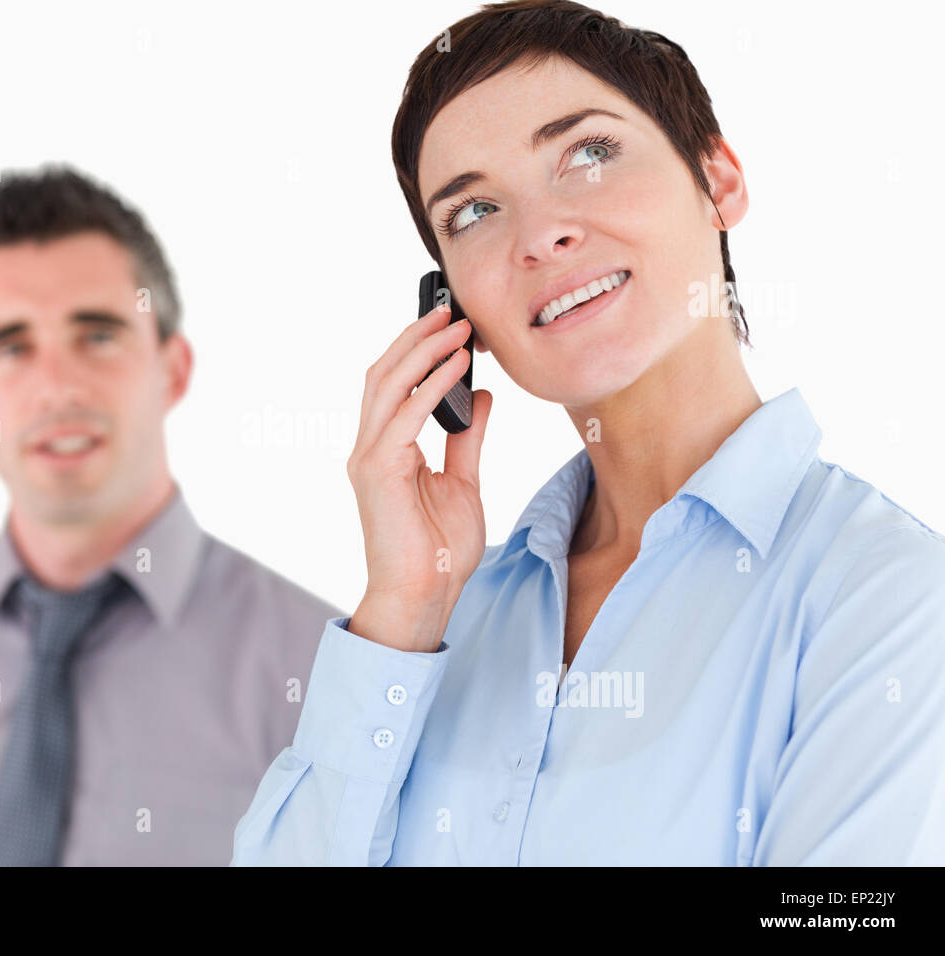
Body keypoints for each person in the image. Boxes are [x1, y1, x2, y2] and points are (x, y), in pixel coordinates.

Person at [232, 0, 945, 865]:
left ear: (717, 181)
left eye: (588, 154)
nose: (540, 235)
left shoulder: (891, 599)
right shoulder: (450, 621)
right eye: (473, 213)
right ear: (453, 307)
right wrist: (401, 615)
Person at [0, 164, 342, 866]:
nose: (56, 386)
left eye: (99, 333)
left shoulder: (318, 671)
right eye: (12, 346)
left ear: (173, 368)